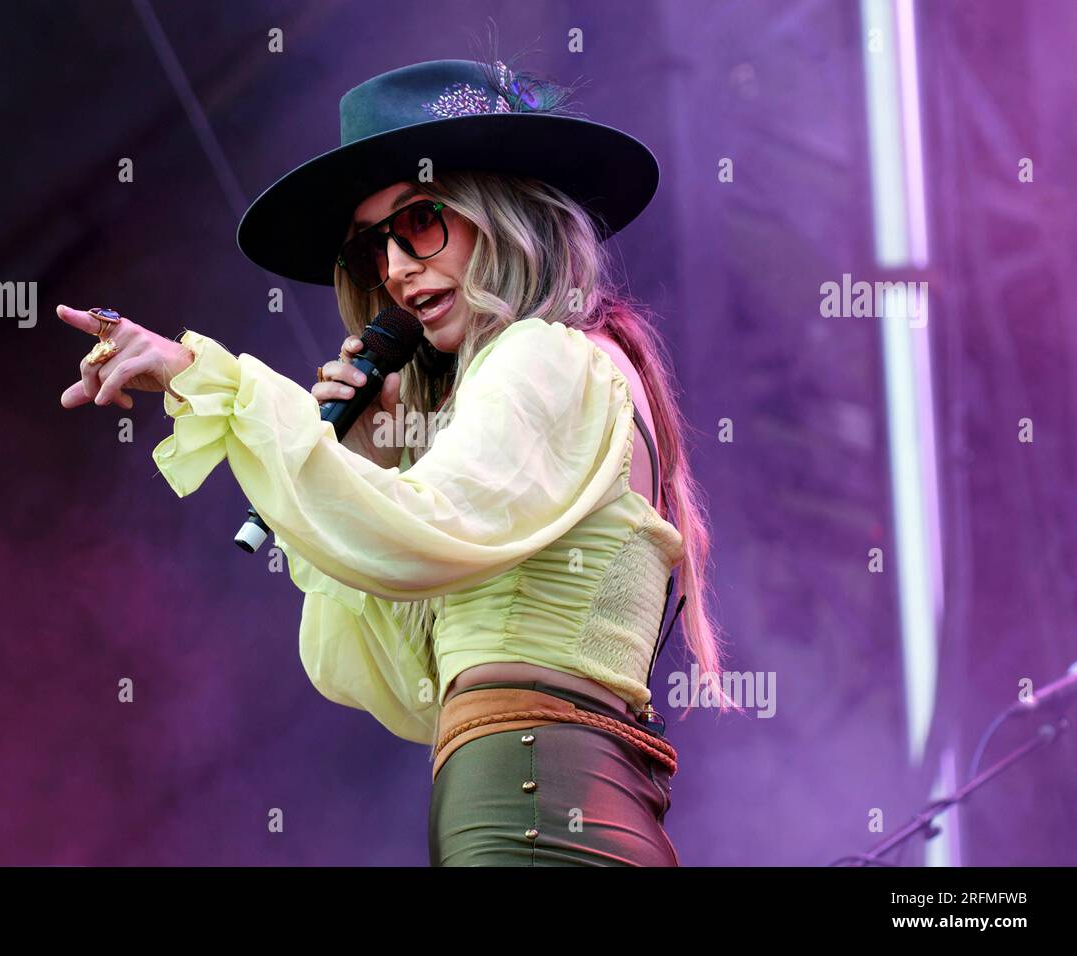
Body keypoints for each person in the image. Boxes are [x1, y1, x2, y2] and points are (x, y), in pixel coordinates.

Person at [58, 56, 738, 866]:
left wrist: (198, 376)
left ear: (502, 212)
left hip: (530, 806)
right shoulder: (583, 364)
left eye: (419, 221)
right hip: (553, 799)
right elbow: (394, 677)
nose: (395, 269)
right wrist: (373, 455)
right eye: (370, 249)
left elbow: (417, 536)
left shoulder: (546, 358)